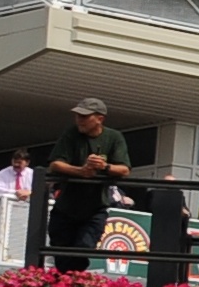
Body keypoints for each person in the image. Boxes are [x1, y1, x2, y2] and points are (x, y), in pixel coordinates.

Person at [46, 96, 135, 269]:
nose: (79, 120)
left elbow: (125, 170)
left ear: (99, 119)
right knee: (61, 255)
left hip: (94, 209)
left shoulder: (114, 137)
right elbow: (55, 163)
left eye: (84, 116)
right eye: (78, 115)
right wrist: (81, 171)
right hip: (65, 208)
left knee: (83, 249)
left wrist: (104, 166)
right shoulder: (71, 133)